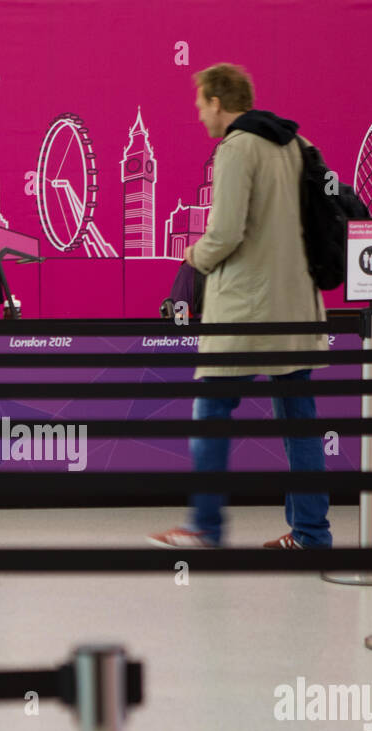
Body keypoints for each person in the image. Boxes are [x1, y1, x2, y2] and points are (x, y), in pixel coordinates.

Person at [148, 63, 331, 550]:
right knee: (300, 422)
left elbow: (225, 232)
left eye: (199, 102)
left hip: (247, 309)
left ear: (215, 101)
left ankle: (206, 527)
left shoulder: (235, 147)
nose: (197, 112)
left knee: (211, 412)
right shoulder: (297, 143)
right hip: (298, 307)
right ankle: (312, 533)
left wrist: (193, 255)